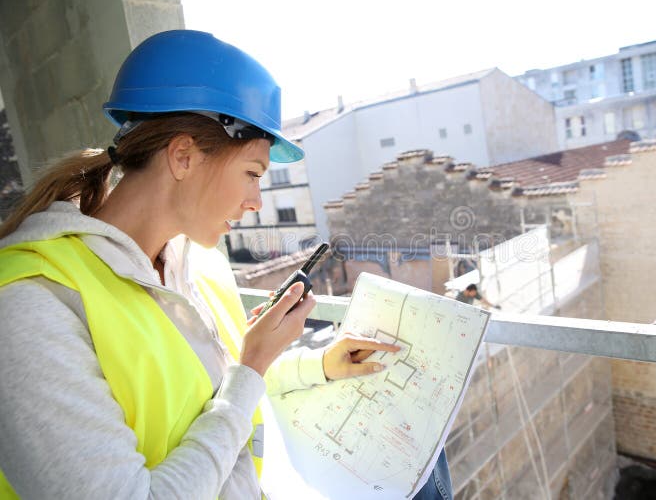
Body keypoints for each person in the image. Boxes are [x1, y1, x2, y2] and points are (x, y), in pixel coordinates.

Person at [0, 30, 451, 499]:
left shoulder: (199, 266)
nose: (257, 201)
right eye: (252, 173)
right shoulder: (29, 309)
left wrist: (316, 365)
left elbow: (214, 385)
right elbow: (237, 386)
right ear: (183, 157)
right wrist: (252, 365)